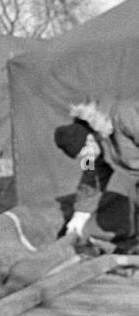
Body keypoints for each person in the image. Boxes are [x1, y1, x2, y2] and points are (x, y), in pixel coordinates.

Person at [54, 100, 139, 253]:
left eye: (85, 153)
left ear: (89, 139)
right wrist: (80, 214)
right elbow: (90, 178)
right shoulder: (93, 151)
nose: (87, 159)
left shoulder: (124, 115)